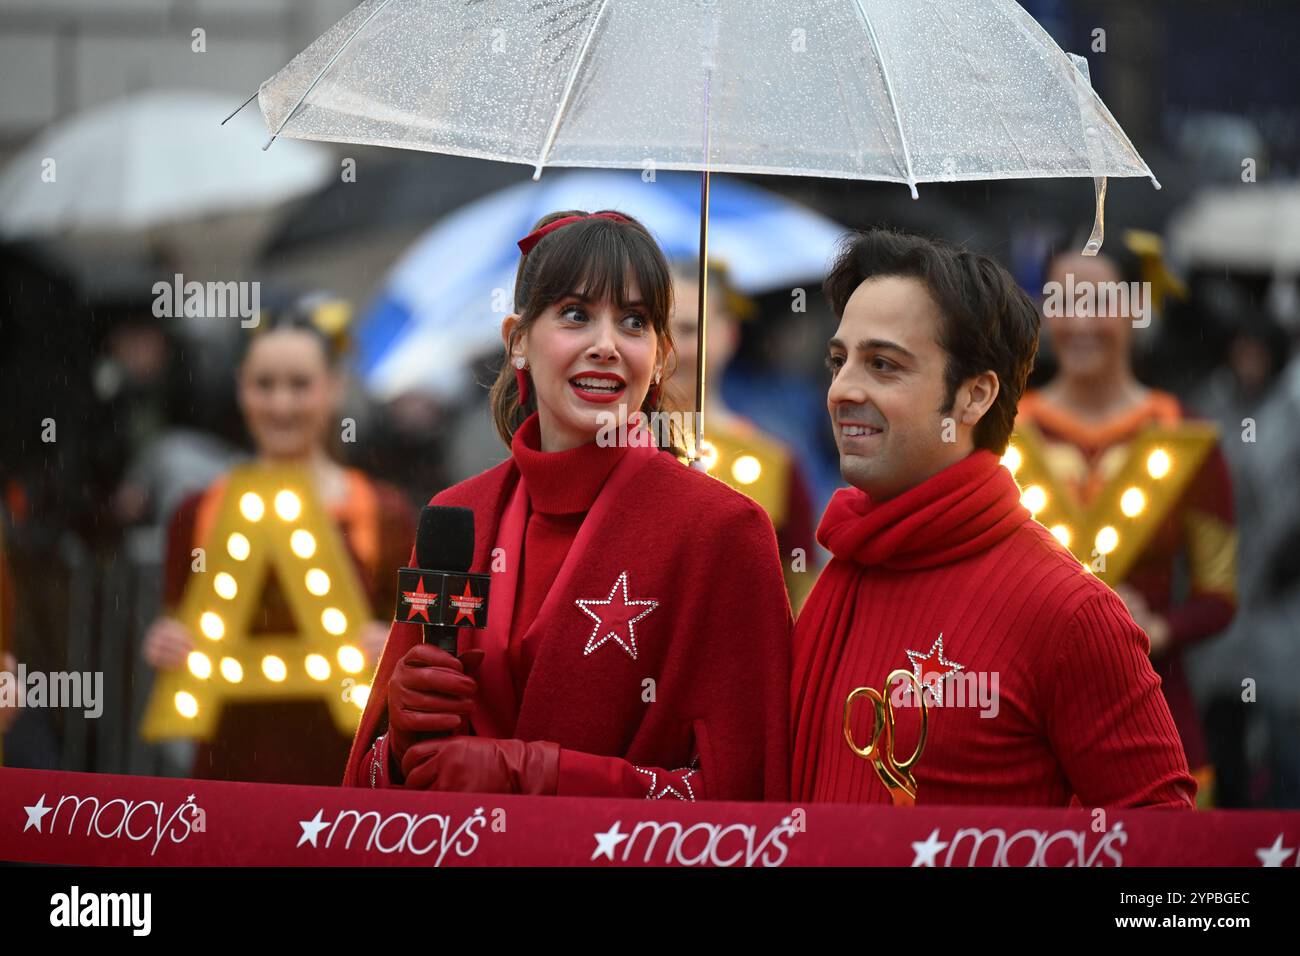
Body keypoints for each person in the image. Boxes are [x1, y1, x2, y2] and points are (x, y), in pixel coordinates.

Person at [345, 210, 792, 800]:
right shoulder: (459, 515)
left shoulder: (723, 531)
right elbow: (369, 795)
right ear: (518, 342)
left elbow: (747, 802)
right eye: (576, 315)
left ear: (659, 357)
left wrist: (540, 776)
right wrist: (404, 743)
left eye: (634, 322)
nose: (605, 346)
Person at [791, 228, 1196, 808]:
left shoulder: (1072, 614)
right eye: (839, 360)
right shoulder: (844, 568)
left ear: (974, 397)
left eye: (882, 364)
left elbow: (1171, 859)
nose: (842, 389)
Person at [142, 301, 415, 785]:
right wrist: (167, 642)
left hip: (344, 778)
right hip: (227, 773)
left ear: (333, 389)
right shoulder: (196, 513)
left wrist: (396, 647)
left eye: (299, 385)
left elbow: (416, 642)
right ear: (241, 388)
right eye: (264, 384)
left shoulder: (382, 513)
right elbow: (176, 621)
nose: (281, 405)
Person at [1017, 240, 1237, 804]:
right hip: (1027, 727)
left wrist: (1152, 631)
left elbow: (1218, 596)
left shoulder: (1184, 436)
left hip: (1159, 718)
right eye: (1063, 299)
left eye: (1100, 300)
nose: (1081, 321)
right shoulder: (1004, 433)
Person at [665, 258, 817, 611]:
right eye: (653, 328)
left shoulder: (774, 462)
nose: (668, 349)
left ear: (728, 335)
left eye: (687, 330)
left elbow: (801, 599)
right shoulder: (612, 446)